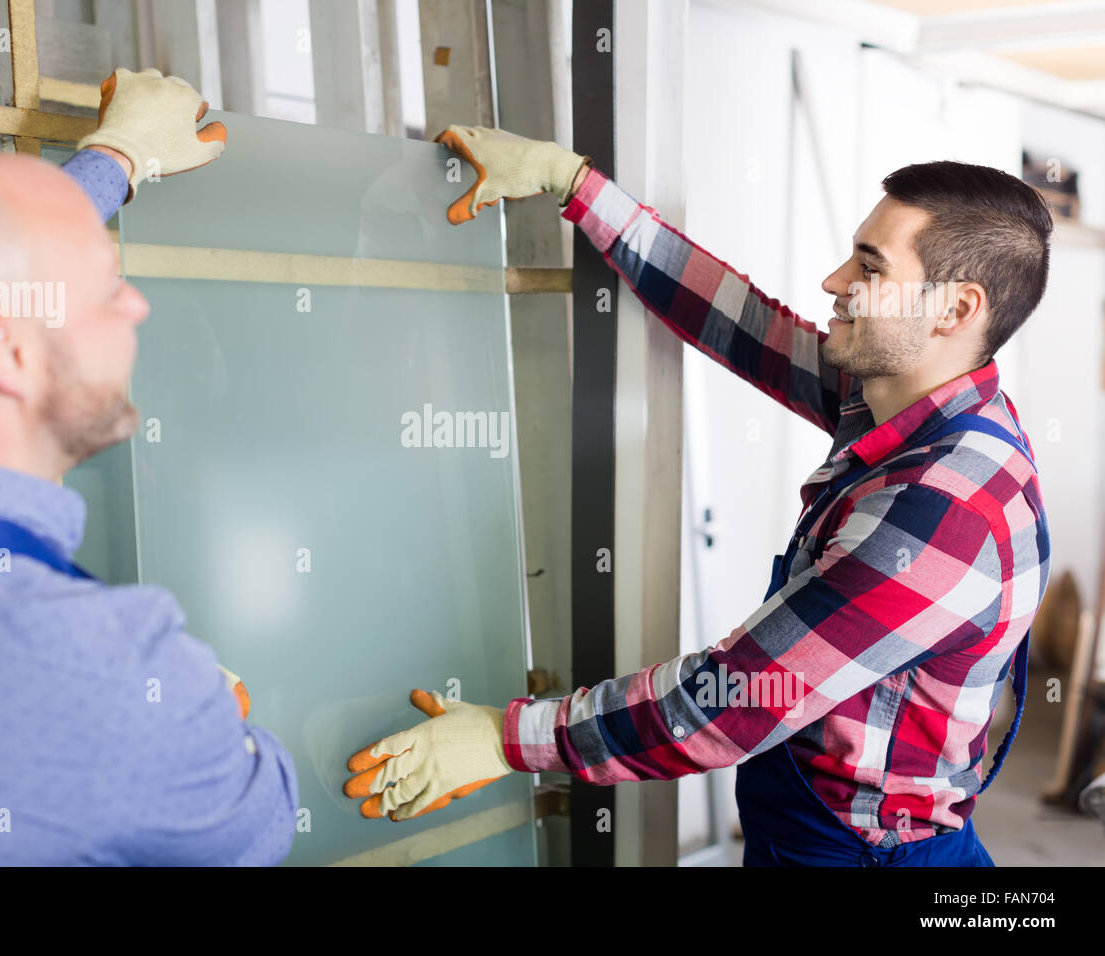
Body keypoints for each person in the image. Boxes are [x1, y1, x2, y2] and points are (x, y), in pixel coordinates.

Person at [346, 125, 1054, 867]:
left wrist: (502, 738)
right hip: (815, 832)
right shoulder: (929, 407)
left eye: (869, 267)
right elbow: (745, 325)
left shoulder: (939, 513)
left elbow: (732, 702)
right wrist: (571, 182)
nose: (834, 281)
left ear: (954, 309)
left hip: (860, 855)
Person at [0, 68, 295, 864]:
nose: (134, 303)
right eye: (106, 288)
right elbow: (263, 821)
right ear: (9, 352)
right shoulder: (108, 673)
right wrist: (205, 709)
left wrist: (118, 157)